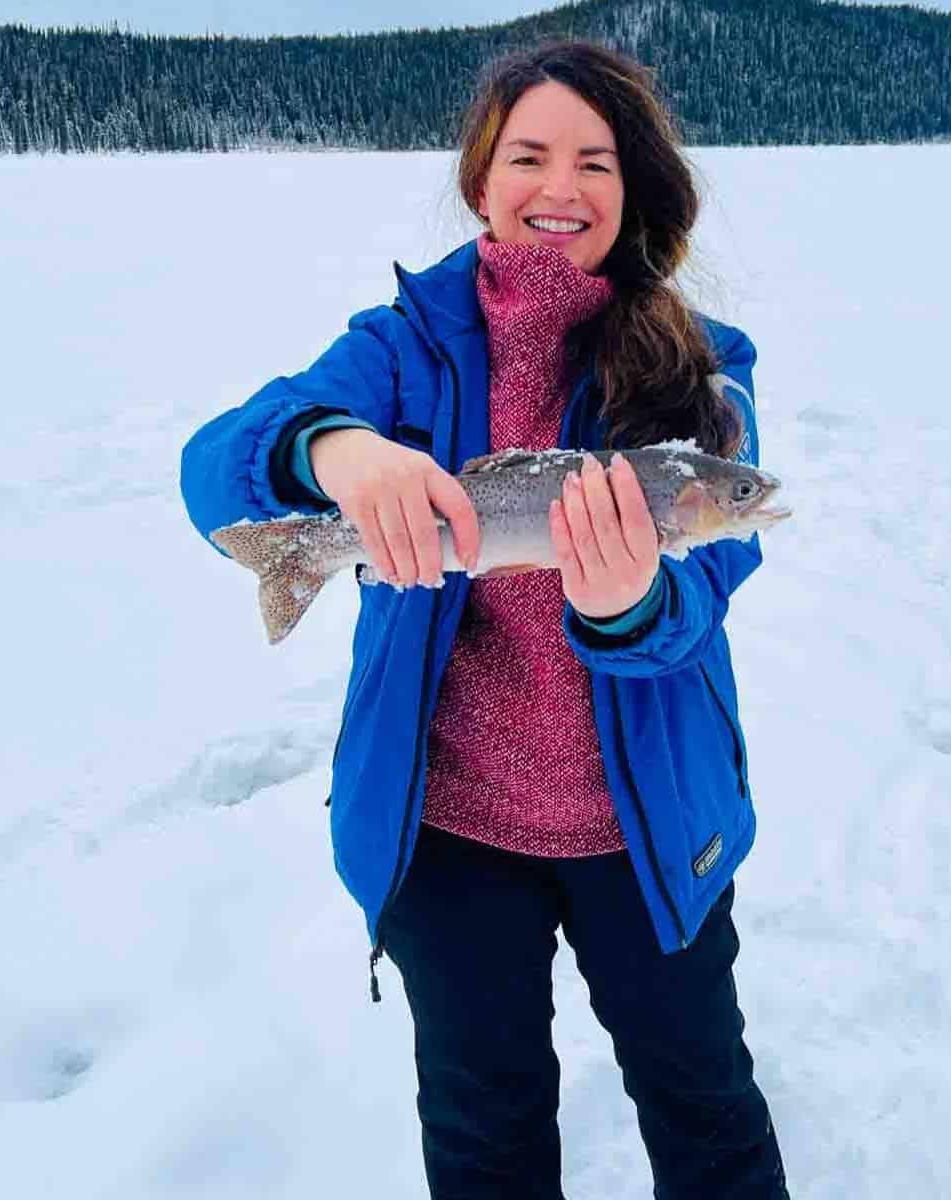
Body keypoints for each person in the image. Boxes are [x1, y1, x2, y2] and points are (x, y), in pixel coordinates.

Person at [181, 39, 788, 1200]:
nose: (561, 188)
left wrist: (633, 603)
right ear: (480, 178)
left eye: (596, 162)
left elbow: (713, 579)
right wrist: (335, 449)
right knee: (482, 1131)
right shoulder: (400, 348)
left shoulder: (708, 367)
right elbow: (215, 464)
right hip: (448, 830)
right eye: (529, 156)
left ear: (637, 186)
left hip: (647, 825)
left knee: (705, 1104)